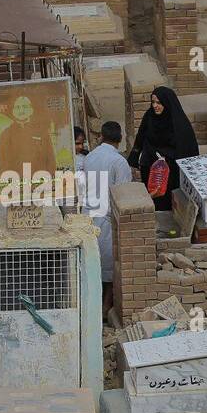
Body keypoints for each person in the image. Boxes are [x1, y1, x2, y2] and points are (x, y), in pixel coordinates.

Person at [81, 121, 132, 310]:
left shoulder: (90, 157)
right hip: (107, 216)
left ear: (101, 136)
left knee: (93, 261)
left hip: (89, 214)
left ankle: (95, 306)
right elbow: (123, 193)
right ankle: (104, 307)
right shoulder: (119, 161)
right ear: (119, 139)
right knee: (109, 267)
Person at [128, 86, 198, 211]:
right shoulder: (150, 116)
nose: (155, 106)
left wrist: (165, 155)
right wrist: (135, 155)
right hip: (150, 168)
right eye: (153, 102)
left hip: (171, 171)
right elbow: (141, 137)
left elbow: (186, 149)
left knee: (168, 203)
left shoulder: (178, 123)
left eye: (159, 103)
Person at [0, 92, 57, 182]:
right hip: (17, 184)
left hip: (40, 182)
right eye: (17, 107)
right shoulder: (6, 134)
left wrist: (50, 179)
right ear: (13, 111)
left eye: (24, 107)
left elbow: (50, 158)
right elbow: (2, 163)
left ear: (31, 110)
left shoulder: (42, 131)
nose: (21, 110)